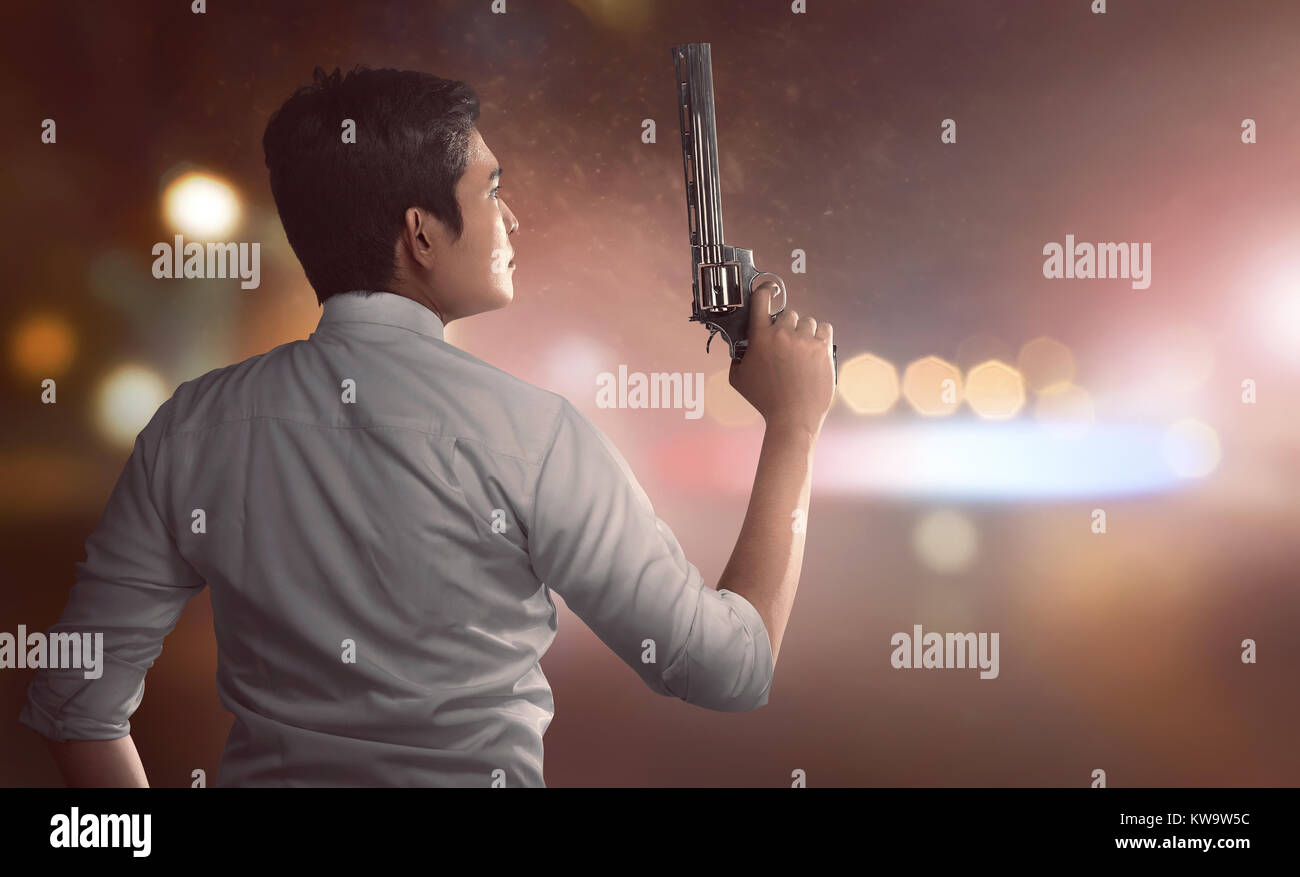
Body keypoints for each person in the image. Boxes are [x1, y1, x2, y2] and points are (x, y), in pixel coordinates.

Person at [18, 66, 836, 787]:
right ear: (420, 233)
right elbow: (729, 669)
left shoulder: (190, 428)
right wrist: (794, 426)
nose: (511, 220)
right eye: (492, 191)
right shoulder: (534, 434)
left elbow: (73, 704)